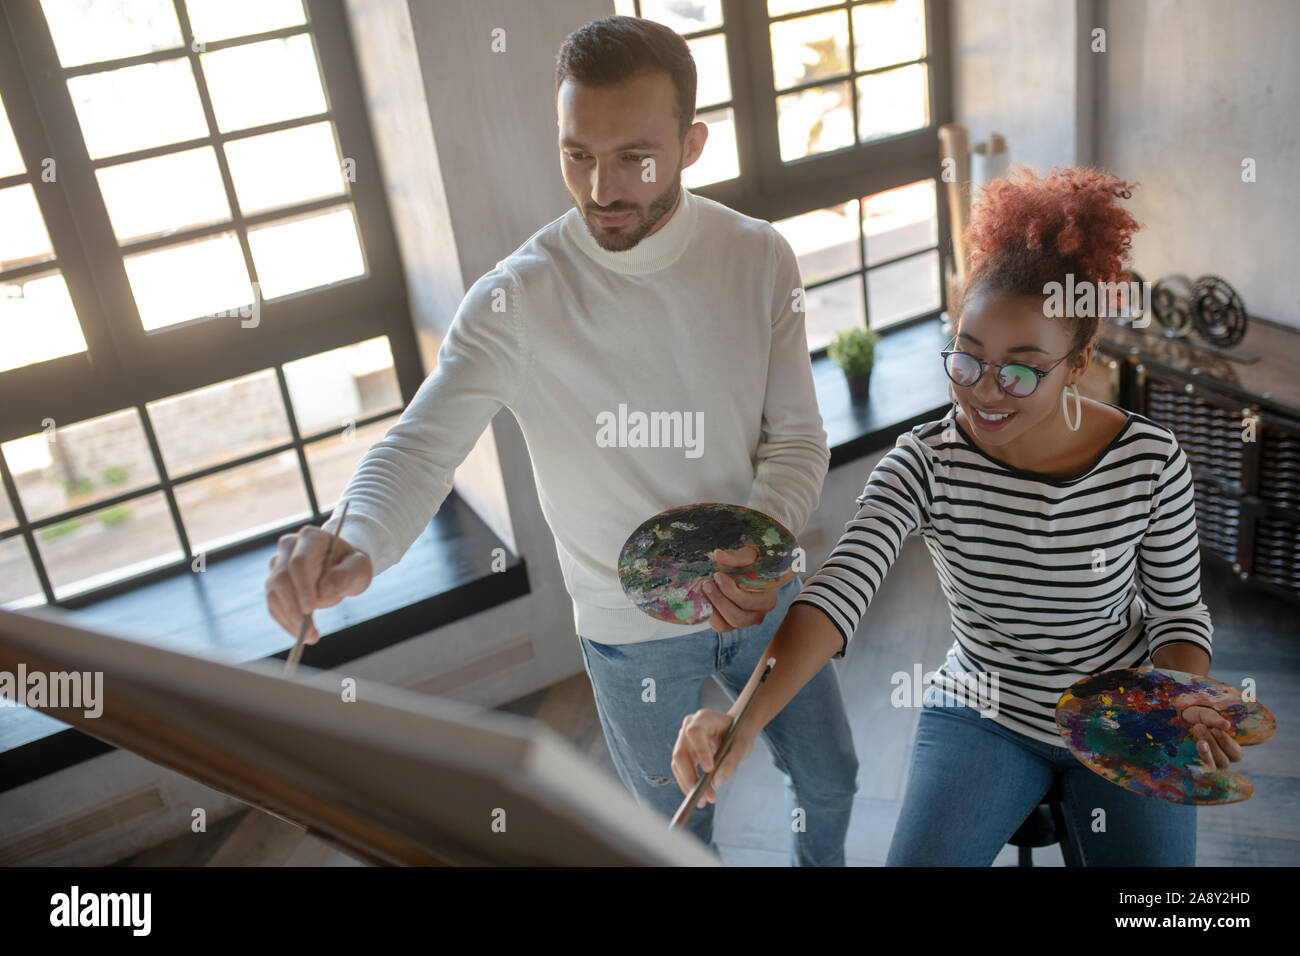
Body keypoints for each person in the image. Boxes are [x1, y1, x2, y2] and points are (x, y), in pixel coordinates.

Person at [263, 15, 859, 865]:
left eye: (633, 158)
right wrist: (355, 534)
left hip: (760, 600)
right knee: (673, 834)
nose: (601, 188)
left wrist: (752, 554)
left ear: (691, 145)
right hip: (627, 632)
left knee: (832, 776)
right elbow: (422, 442)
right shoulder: (517, 298)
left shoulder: (760, 257)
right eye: (577, 153)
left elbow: (797, 437)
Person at [673, 165, 1238, 866]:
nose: (985, 393)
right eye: (966, 360)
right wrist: (742, 717)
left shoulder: (1149, 460)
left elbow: (1178, 614)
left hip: (1123, 711)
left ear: (1080, 362)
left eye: (1021, 370)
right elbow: (837, 593)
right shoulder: (925, 460)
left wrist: (1180, 695)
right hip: (983, 709)